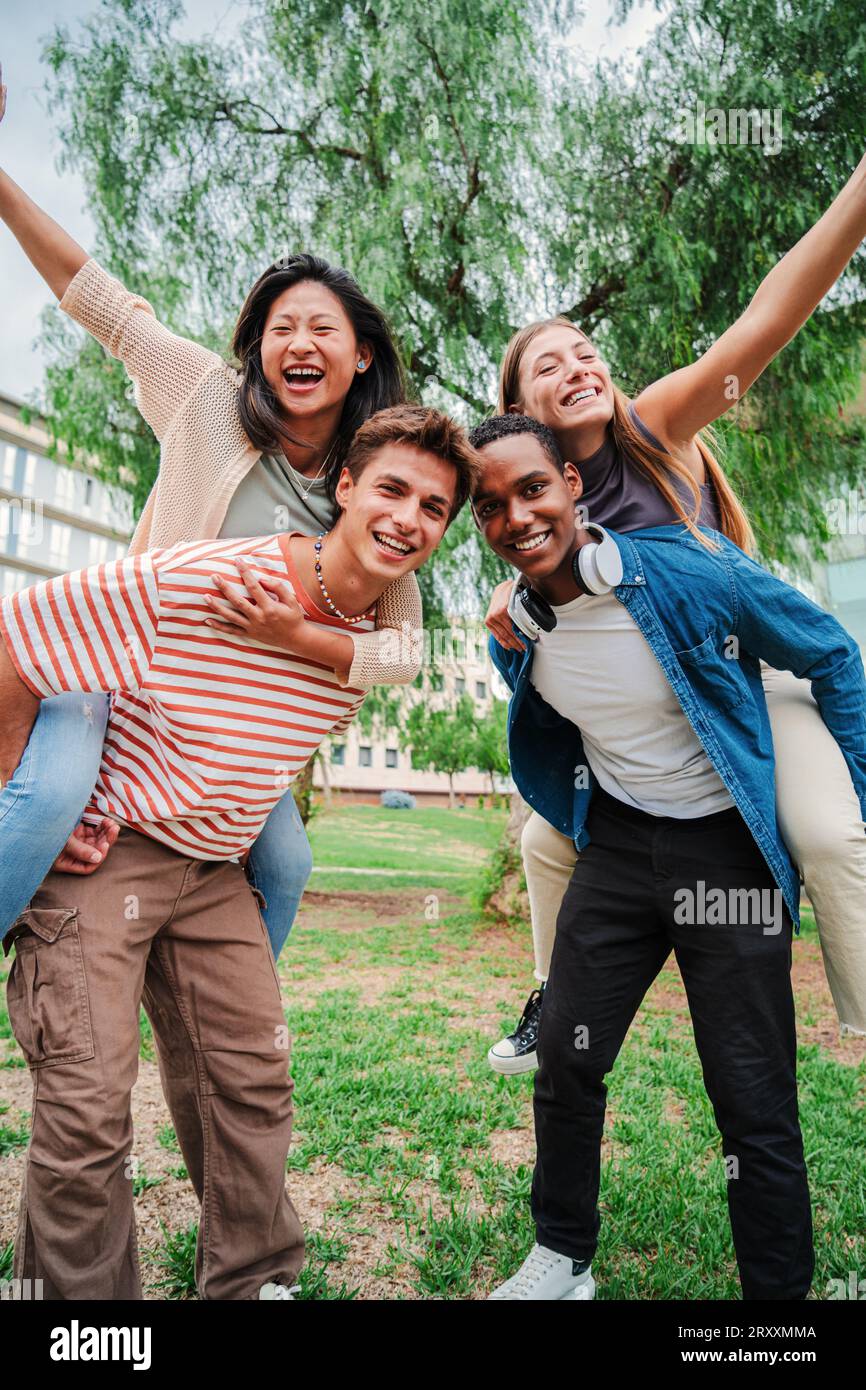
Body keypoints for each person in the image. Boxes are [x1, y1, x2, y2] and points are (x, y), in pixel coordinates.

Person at [0, 404, 479, 1301]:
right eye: (391, 489)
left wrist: (299, 638)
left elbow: (391, 662)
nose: (408, 519)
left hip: (216, 868)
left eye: (434, 507)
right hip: (110, 852)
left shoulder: (382, 639)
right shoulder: (212, 579)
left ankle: (254, 1282)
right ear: (343, 488)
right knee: (88, 1105)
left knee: (252, 1082)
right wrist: (40, 808)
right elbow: (13, 635)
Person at [0, 67, 421, 958]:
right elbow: (101, 301)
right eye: (279, 328)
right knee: (46, 799)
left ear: (360, 356)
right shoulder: (206, 399)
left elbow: (400, 654)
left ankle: (215, 1009)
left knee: (288, 864)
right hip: (118, 676)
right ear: (257, 349)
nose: (297, 343)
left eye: (320, 328)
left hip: (219, 725)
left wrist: (294, 638)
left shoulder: (380, 487)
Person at [484, 150, 866, 1071]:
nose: (577, 363)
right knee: (544, 840)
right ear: (520, 408)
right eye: (549, 363)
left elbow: (765, 321)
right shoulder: (531, 503)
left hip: (746, 685)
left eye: (585, 350)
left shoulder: (652, 427)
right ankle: (555, 1001)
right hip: (659, 723)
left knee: (825, 831)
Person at [469, 414, 866, 1300]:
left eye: (532, 488)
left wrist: (862, 793)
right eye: (489, 506)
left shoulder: (694, 570)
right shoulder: (518, 628)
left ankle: (776, 1309)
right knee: (568, 1059)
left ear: (572, 485)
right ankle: (563, 1258)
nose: (517, 517)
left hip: (724, 857)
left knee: (751, 1096)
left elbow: (834, 654)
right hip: (616, 850)